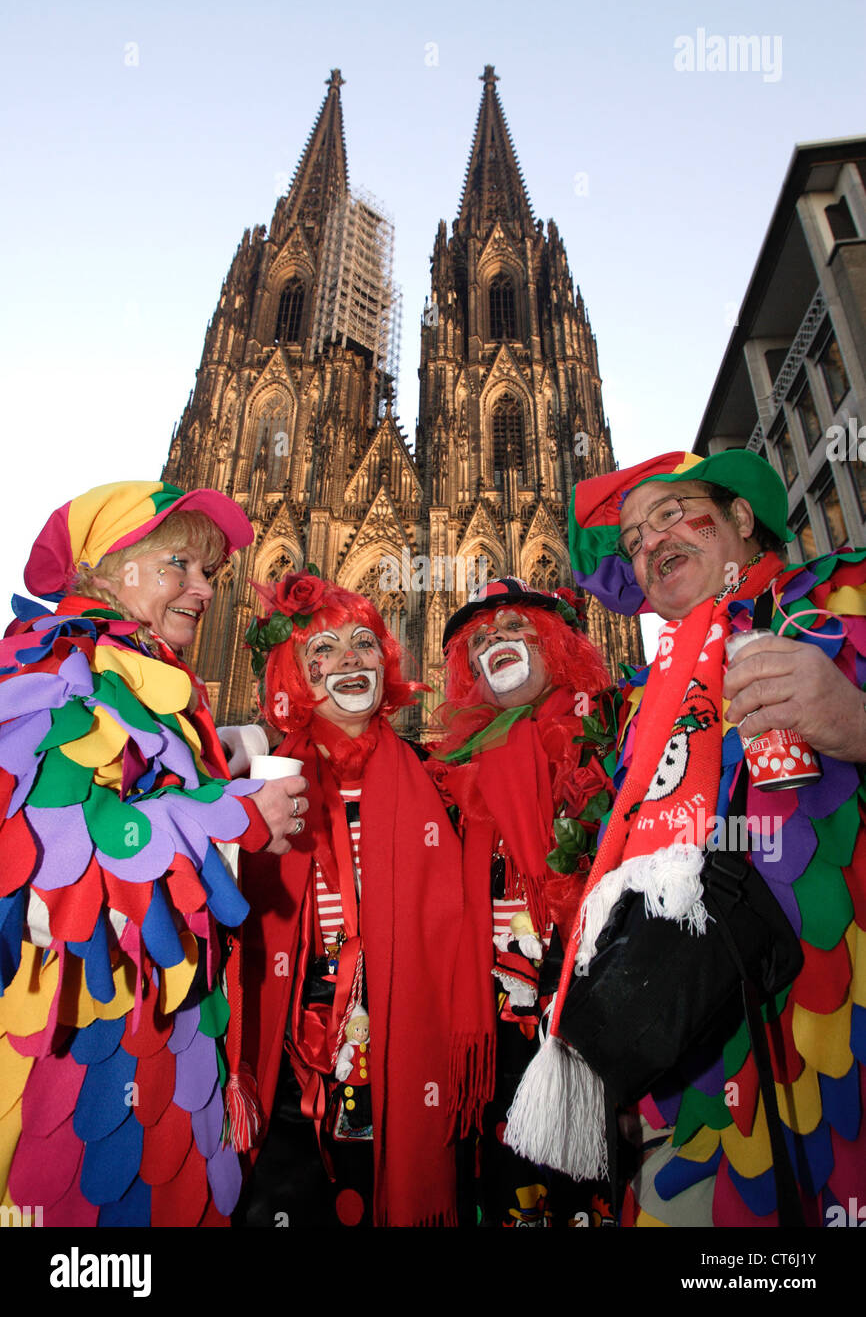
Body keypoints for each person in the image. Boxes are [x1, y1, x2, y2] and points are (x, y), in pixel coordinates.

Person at [506, 450, 866, 1227]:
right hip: (704, 1077)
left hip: (847, 1036)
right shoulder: (641, 709)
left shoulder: (851, 594)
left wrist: (860, 724)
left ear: (740, 516)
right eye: (634, 538)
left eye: (672, 514)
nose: (651, 544)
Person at [0, 481, 306, 1227]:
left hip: (161, 1048)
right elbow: (43, 881)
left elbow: (125, 800)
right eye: (181, 565)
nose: (204, 589)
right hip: (81, 1055)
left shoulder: (131, 669)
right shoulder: (61, 665)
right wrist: (231, 822)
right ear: (108, 569)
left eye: (209, 573)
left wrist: (212, 771)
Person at [237, 571, 491, 1228]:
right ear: (292, 674)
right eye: (322, 648)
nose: (349, 658)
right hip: (293, 1056)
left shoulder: (445, 785)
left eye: (364, 642)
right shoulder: (248, 788)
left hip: (408, 1044)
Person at [433, 577, 615, 1226]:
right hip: (503, 1031)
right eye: (482, 638)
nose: (497, 644)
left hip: (592, 1017)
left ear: (556, 643)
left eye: (516, 629)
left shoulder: (606, 739)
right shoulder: (453, 768)